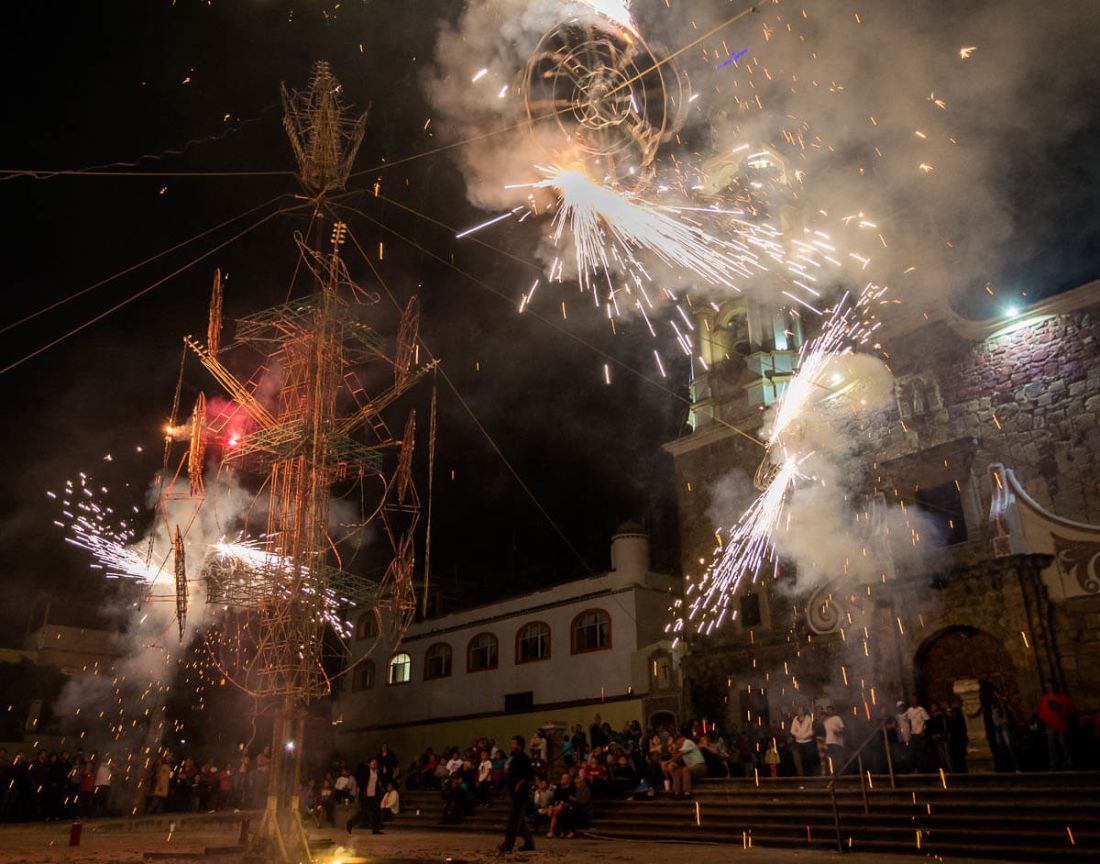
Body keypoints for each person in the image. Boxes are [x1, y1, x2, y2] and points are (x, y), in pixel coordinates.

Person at [498, 736, 535, 853]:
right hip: (514, 792)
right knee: (520, 822)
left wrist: (519, 784)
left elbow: (528, 775)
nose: (512, 746)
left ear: (519, 745)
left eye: (514, 744)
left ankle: (508, 845)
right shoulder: (513, 758)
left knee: (514, 821)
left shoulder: (524, 758)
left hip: (521, 794)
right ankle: (529, 843)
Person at [1037, 679, 1075, 770]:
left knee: (1064, 744)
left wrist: (1060, 708)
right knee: (1052, 745)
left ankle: (1069, 762)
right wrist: (1044, 719)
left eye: (1050, 685)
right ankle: (1054, 763)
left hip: (1061, 724)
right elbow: (1041, 711)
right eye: (1047, 686)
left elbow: (1070, 710)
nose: (1048, 687)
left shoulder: (1062, 698)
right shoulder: (1045, 698)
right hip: (1050, 725)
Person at [346, 757, 383, 835]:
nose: (374, 764)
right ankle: (350, 823)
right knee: (363, 813)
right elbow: (361, 781)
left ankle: (375, 829)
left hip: (373, 796)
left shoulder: (376, 773)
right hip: (366, 796)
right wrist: (363, 791)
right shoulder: (367, 771)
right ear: (369, 764)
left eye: (375, 762)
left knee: (376, 812)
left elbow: (376, 784)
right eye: (372, 762)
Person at [990, 691, 1021, 772]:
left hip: (1004, 724)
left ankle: (1016, 768)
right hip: (997, 726)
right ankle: (1006, 768)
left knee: (1009, 746)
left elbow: (1007, 701)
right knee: (1001, 747)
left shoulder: (1002, 701)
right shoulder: (992, 704)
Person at [906, 695, 932, 773]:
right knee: (912, 753)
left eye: (914, 699)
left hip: (920, 734)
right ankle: (915, 769)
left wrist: (923, 730)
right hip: (913, 734)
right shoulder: (909, 710)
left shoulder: (921, 709)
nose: (912, 700)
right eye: (911, 699)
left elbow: (927, 720)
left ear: (917, 700)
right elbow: (909, 720)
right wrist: (911, 730)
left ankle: (923, 770)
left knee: (921, 753)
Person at [790, 705, 818, 776]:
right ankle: (802, 775)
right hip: (798, 742)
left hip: (808, 742)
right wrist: (799, 736)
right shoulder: (795, 719)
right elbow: (792, 730)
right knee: (800, 759)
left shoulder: (808, 719)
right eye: (798, 710)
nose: (798, 711)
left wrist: (804, 736)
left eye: (800, 710)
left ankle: (810, 774)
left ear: (804, 711)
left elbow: (811, 730)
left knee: (809, 759)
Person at [823, 708, 846, 774]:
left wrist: (838, 733)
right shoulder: (826, 721)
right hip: (828, 742)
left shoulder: (837, 718)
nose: (829, 711)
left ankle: (840, 773)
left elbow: (843, 729)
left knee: (838, 759)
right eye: (828, 710)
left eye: (830, 710)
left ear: (833, 711)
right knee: (830, 759)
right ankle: (832, 773)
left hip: (836, 742)